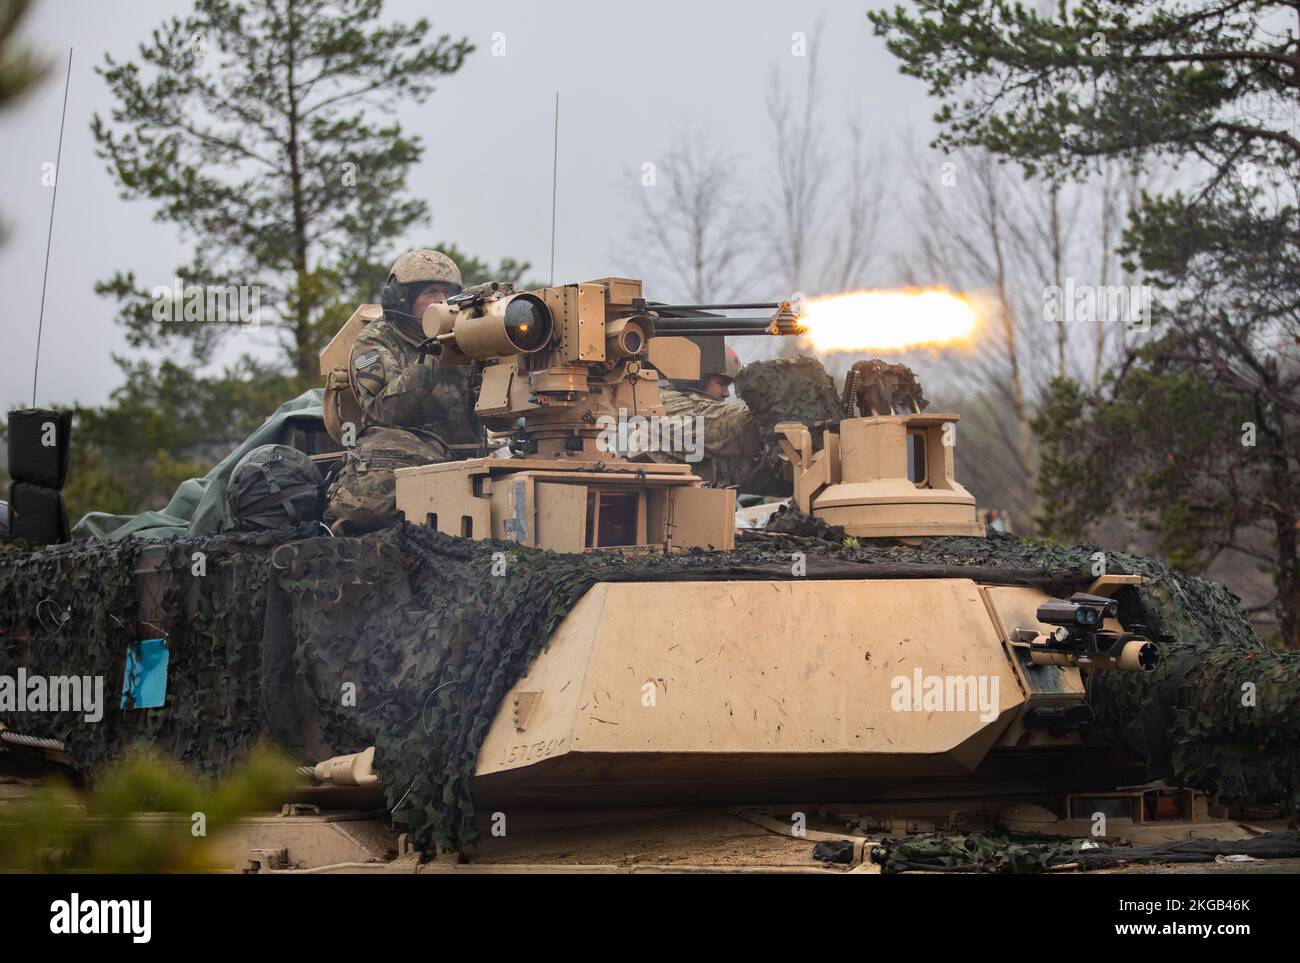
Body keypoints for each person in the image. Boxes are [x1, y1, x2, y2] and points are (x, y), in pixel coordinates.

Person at [323, 249, 478, 534]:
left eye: (447, 292)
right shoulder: (376, 341)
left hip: (466, 462)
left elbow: (495, 419)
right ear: (403, 300)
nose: (442, 301)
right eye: (431, 292)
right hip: (404, 468)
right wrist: (438, 357)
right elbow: (384, 411)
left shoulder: (467, 337)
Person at [656, 344, 766, 489]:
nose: (726, 393)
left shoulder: (712, 442)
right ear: (697, 381)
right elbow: (741, 426)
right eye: (722, 384)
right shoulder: (668, 409)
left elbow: (753, 474)